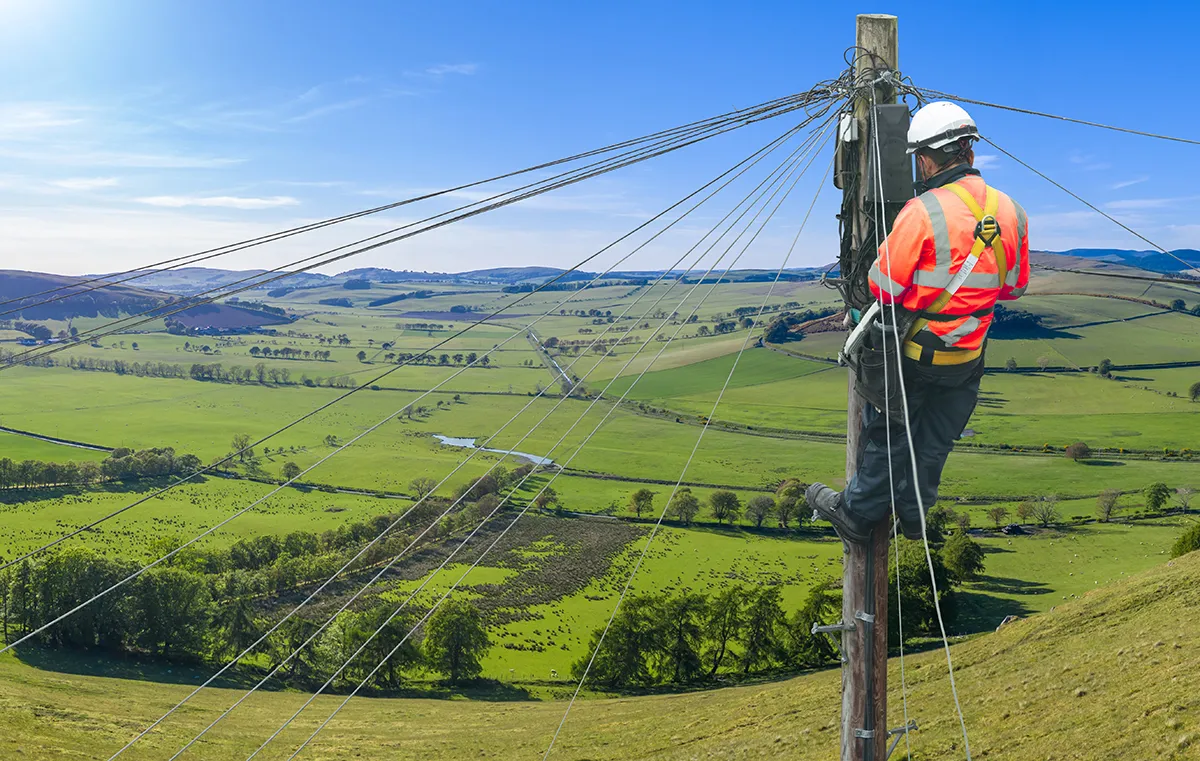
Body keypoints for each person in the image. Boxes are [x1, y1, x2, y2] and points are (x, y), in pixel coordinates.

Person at [808, 102, 1030, 543]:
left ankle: (855, 513)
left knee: (889, 431)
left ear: (927, 157)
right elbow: (1012, 288)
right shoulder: (1012, 213)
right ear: (968, 151)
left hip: (916, 352)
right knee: (934, 440)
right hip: (968, 354)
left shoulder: (923, 211)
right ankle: (914, 515)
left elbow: (883, 287)